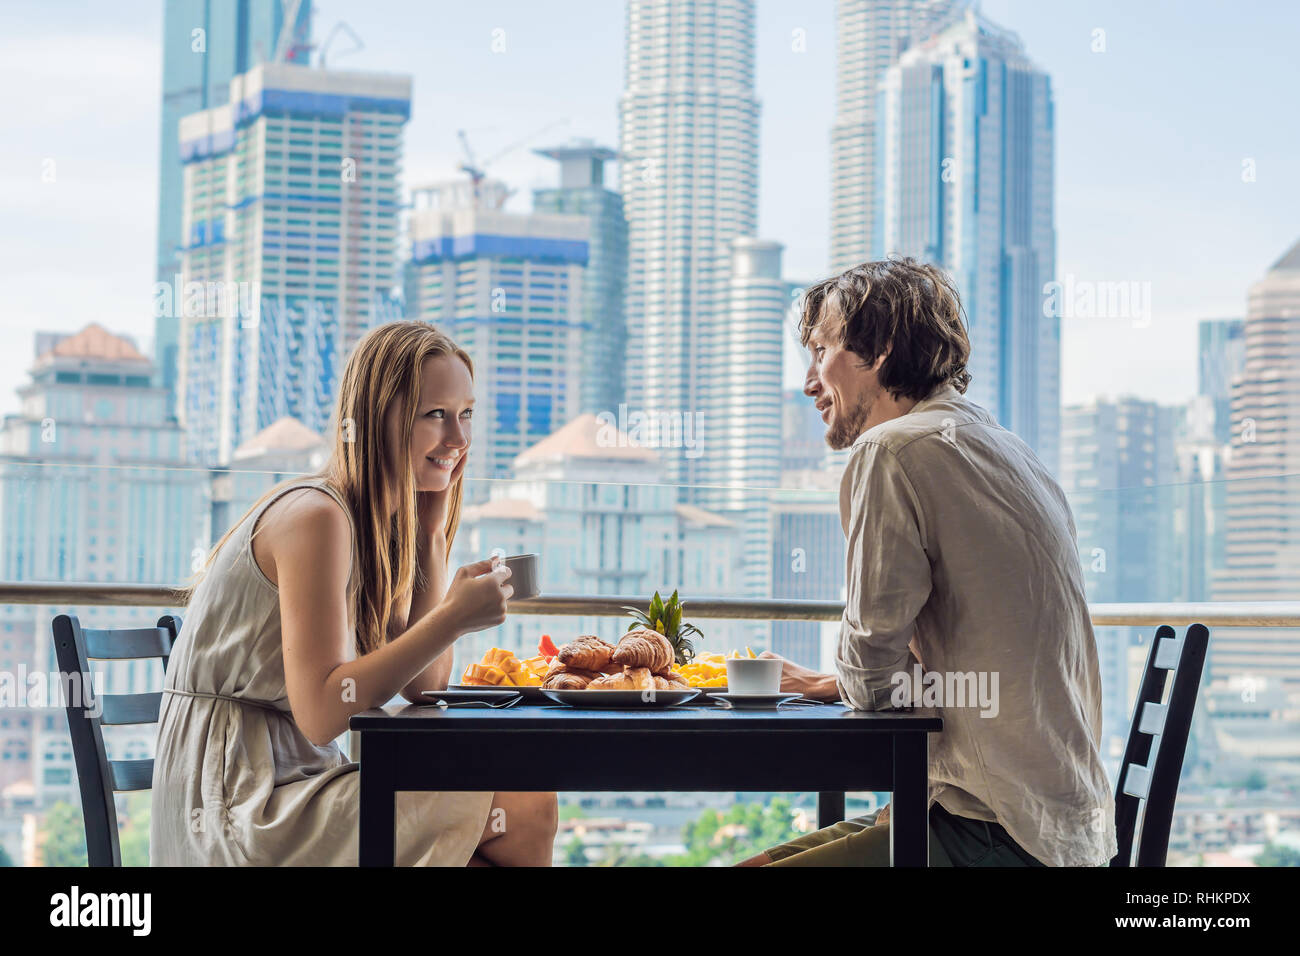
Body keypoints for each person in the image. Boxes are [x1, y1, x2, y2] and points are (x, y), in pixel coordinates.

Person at [742, 258, 1117, 867]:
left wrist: (847, 680)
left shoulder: (891, 452)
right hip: (1057, 824)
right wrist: (828, 682)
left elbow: (870, 681)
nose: (809, 382)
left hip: (991, 831)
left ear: (882, 349)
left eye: (821, 351)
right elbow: (981, 659)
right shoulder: (1007, 448)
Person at [151, 321, 558, 866]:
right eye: (434, 414)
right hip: (238, 802)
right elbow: (323, 712)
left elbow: (422, 686)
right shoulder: (318, 517)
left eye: (466, 415)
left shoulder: (371, 526)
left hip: (298, 778)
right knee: (525, 806)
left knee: (507, 823)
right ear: (377, 418)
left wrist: (431, 532)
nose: (458, 439)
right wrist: (453, 620)